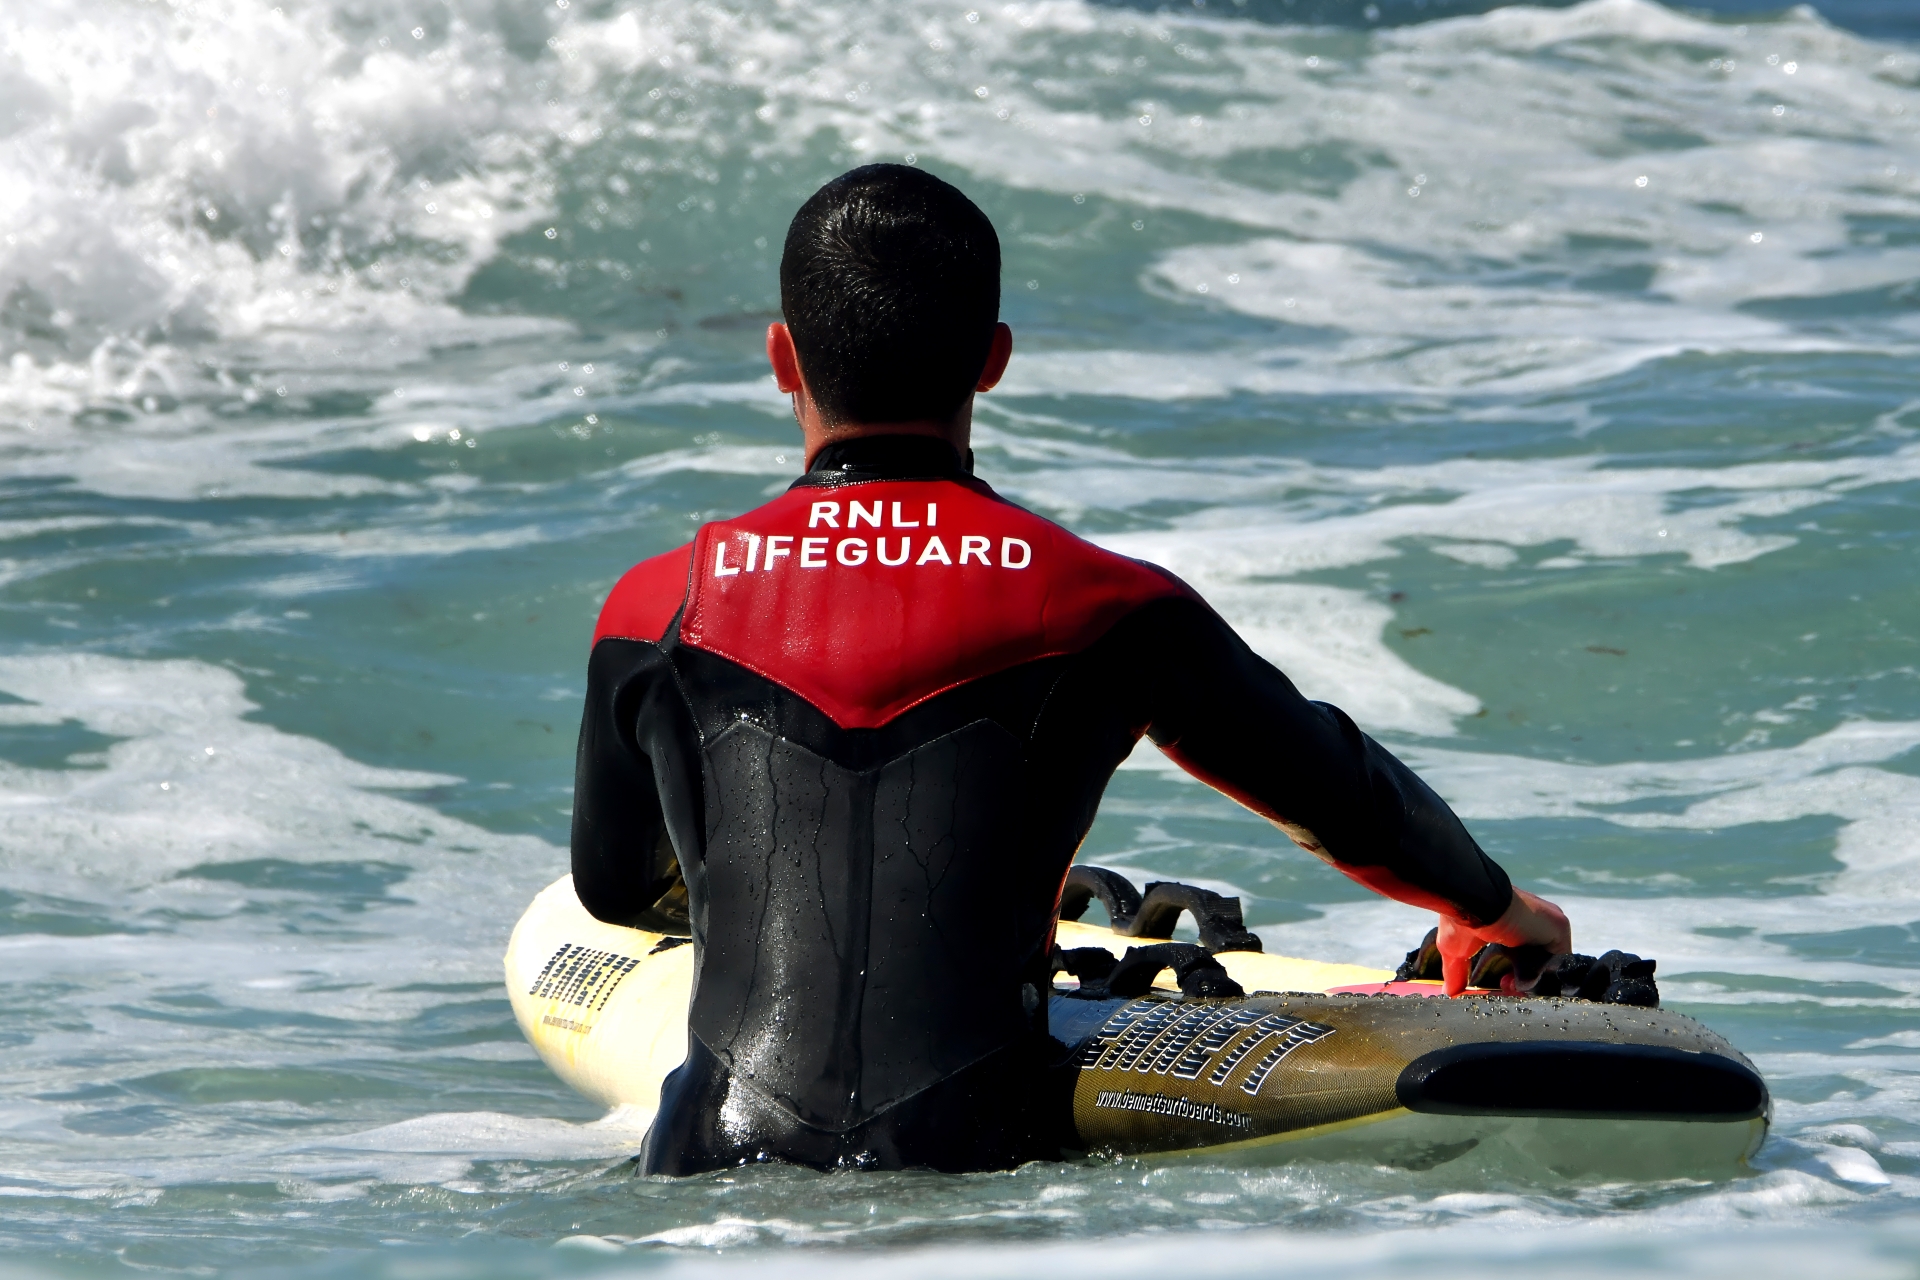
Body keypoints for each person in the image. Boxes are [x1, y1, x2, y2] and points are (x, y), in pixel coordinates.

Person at [570, 164, 1572, 1175]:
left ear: (782, 357)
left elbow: (617, 885)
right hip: (983, 1162)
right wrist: (1496, 909)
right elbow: (1340, 792)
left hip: (707, 1165)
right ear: (995, 360)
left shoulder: (659, 605)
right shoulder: (1103, 603)